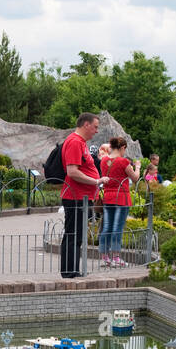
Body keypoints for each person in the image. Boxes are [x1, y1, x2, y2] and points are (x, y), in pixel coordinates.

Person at [60, 113, 103, 278]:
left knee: (77, 234)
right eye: (95, 127)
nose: (96, 131)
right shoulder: (74, 142)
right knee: (73, 234)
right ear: (86, 124)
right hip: (75, 196)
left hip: (82, 197)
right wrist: (96, 181)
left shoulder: (81, 143)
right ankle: (69, 272)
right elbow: (72, 172)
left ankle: (72, 270)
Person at [99, 137, 139, 267]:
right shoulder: (124, 162)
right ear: (122, 147)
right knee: (117, 228)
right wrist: (137, 167)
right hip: (121, 198)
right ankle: (116, 257)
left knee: (106, 227)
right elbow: (135, 178)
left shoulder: (104, 160)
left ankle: (105, 257)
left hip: (108, 197)